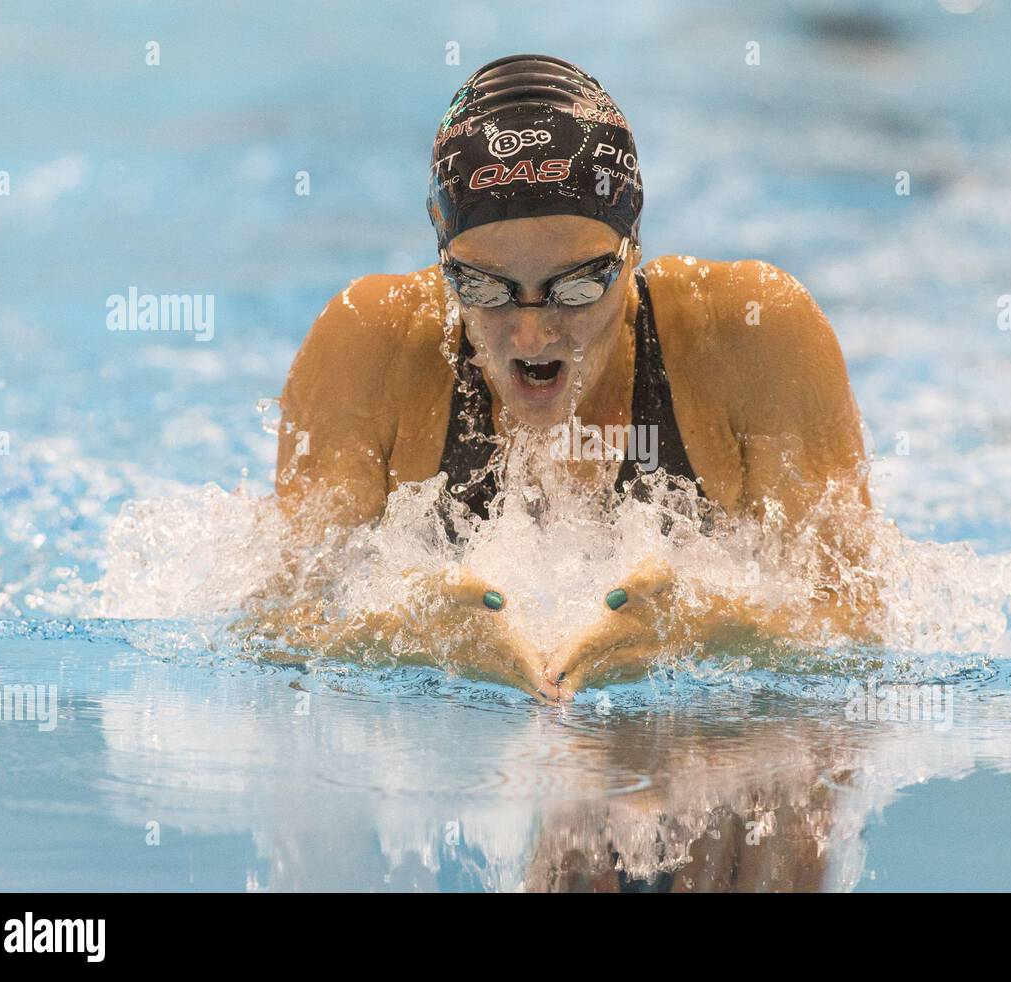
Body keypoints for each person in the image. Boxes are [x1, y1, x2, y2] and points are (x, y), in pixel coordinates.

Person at [265, 54, 876, 700]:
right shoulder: (367, 346)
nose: (532, 335)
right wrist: (409, 637)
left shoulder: (757, 338)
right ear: (443, 259)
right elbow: (273, 630)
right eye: (484, 287)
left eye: (579, 285)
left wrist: (706, 630)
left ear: (633, 246)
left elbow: (864, 633)